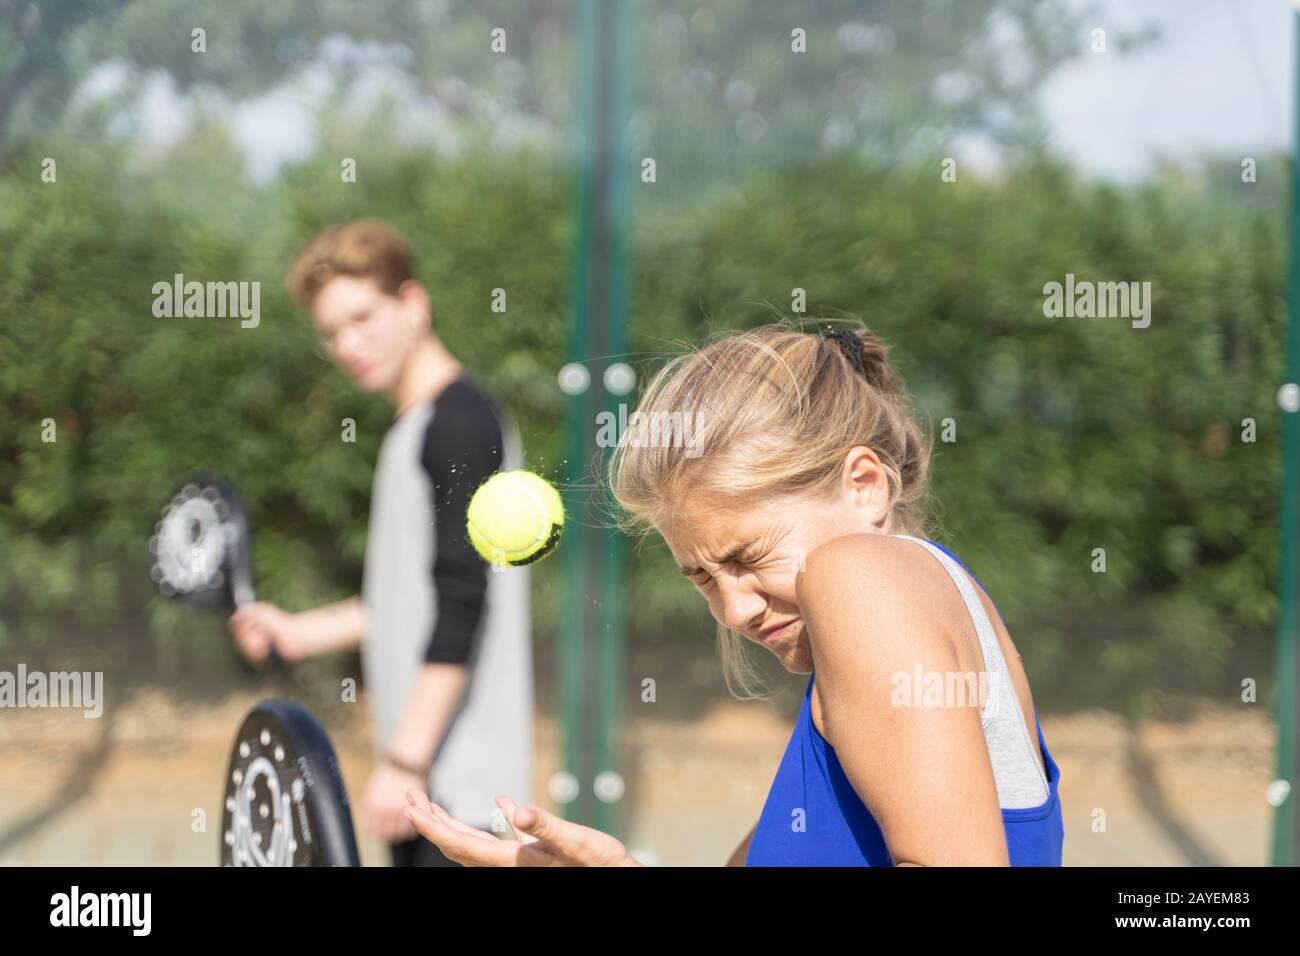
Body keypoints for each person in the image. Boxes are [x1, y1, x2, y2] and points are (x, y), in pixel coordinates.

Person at [402, 321, 1063, 866]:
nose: (734, 608)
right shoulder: (876, 656)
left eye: (749, 557)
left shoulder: (862, 575)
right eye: (703, 579)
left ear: (864, 486)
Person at [228, 219, 533, 867]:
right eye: (332, 332)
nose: (348, 343)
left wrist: (403, 761)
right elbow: (407, 600)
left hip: (460, 797)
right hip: (430, 791)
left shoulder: (458, 424)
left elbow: (460, 603)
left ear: (414, 303)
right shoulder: (415, 427)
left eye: (363, 317)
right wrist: (301, 631)